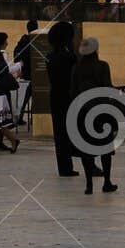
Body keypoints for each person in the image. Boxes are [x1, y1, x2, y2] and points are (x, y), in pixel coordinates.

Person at [69, 38, 118, 196]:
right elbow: (107, 87)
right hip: (100, 110)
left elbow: (73, 91)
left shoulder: (76, 67)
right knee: (105, 148)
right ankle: (107, 182)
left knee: (86, 149)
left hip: (82, 111)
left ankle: (89, 184)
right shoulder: (102, 66)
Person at [46, 20, 79, 178]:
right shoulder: (69, 57)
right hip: (68, 96)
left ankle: (64, 166)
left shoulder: (50, 57)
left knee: (60, 133)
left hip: (55, 96)